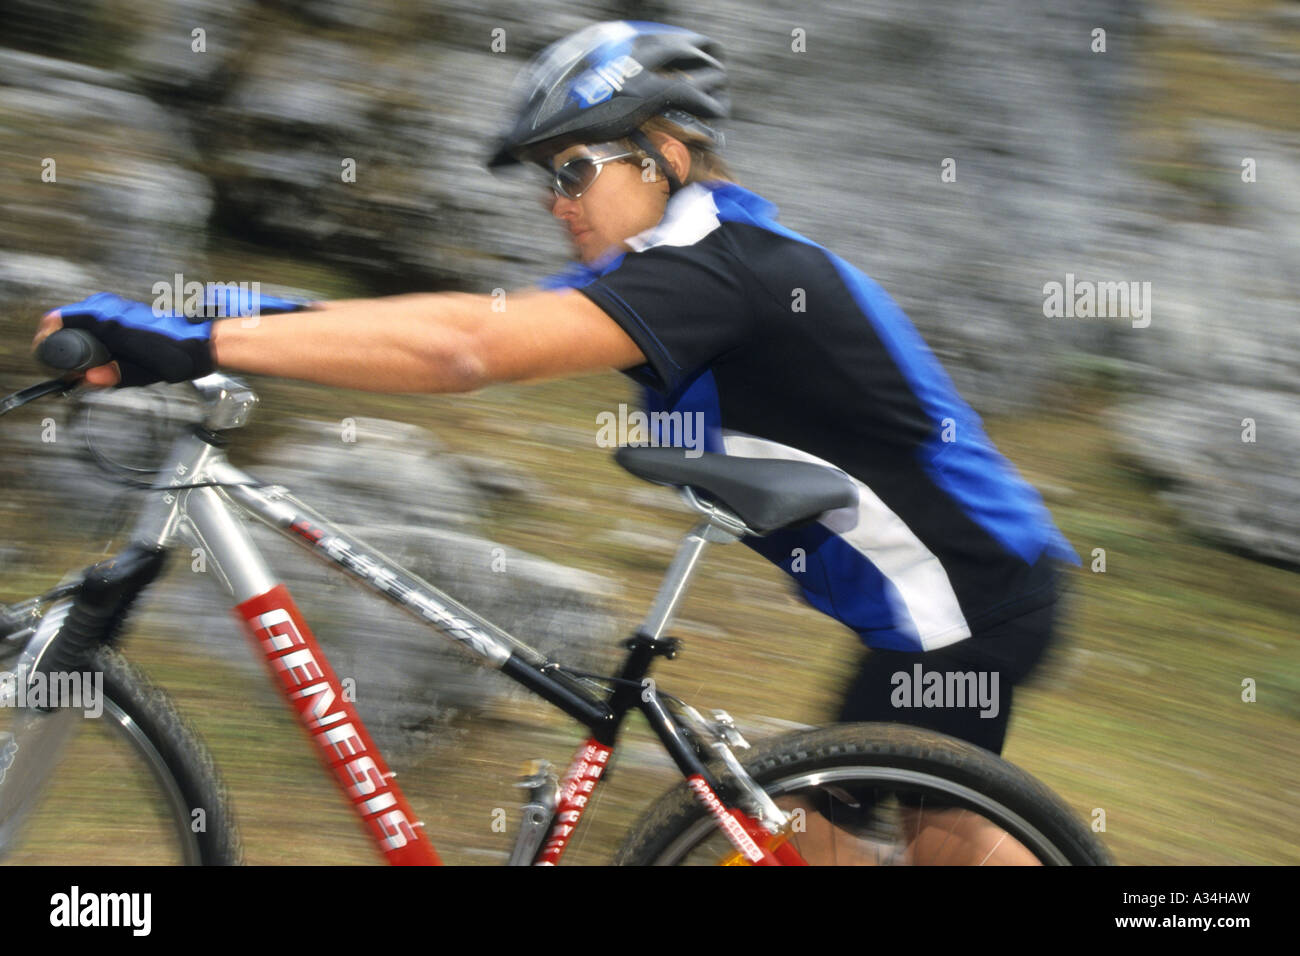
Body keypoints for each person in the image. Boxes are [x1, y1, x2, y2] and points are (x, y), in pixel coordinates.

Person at [33, 21, 1079, 864]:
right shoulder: (681, 261)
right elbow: (428, 319)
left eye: (575, 169)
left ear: (664, 152)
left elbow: (465, 350)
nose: (556, 200)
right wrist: (189, 317)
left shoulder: (720, 269)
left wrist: (198, 336)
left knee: (947, 846)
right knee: (840, 843)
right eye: (546, 179)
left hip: (965, 603)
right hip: (917, 611)